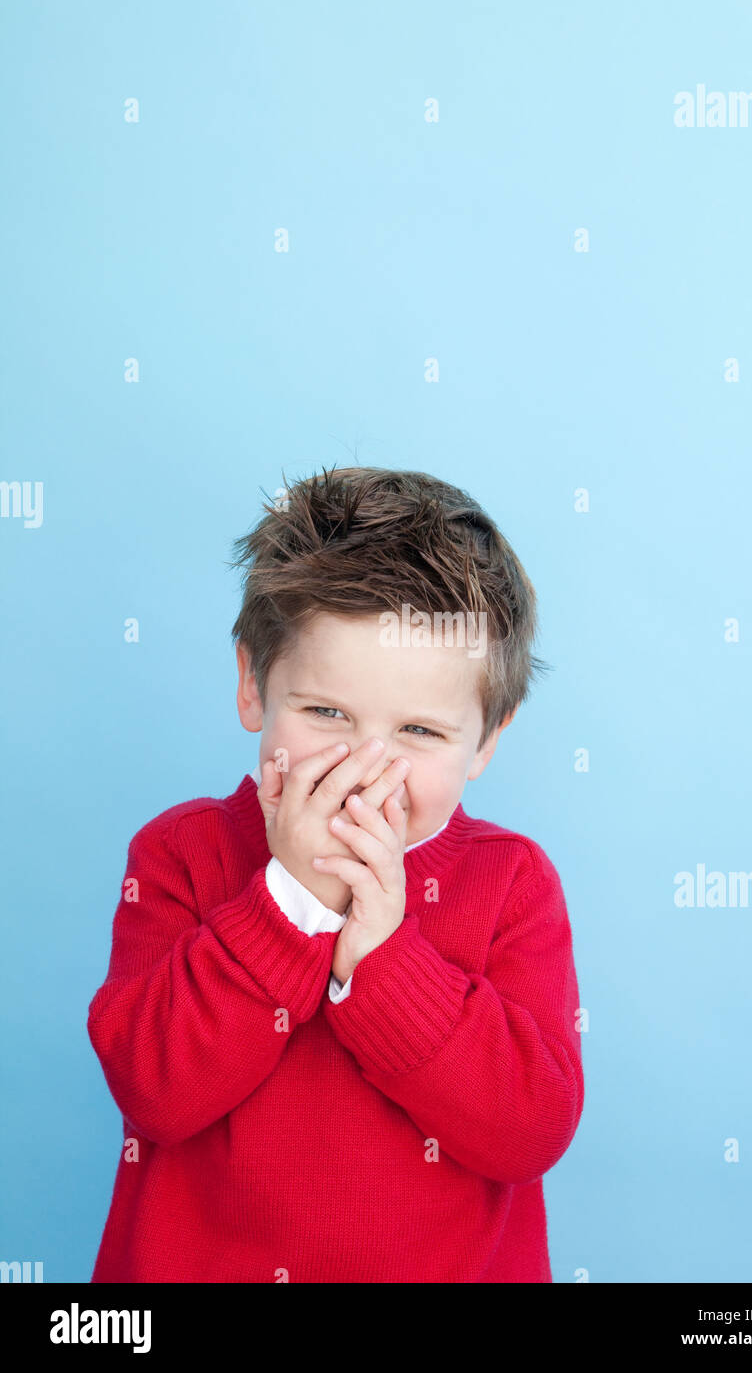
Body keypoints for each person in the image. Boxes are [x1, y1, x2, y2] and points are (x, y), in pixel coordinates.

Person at [87, 464, 584, 1282]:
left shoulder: (512, 884)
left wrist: (385, 960)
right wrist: (291, 903)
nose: (364, 767)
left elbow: (531, 1129)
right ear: (253, 686)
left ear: (486, 741)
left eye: (419, 730)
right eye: (326, 713)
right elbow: (152, 1090)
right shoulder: (178, 854)